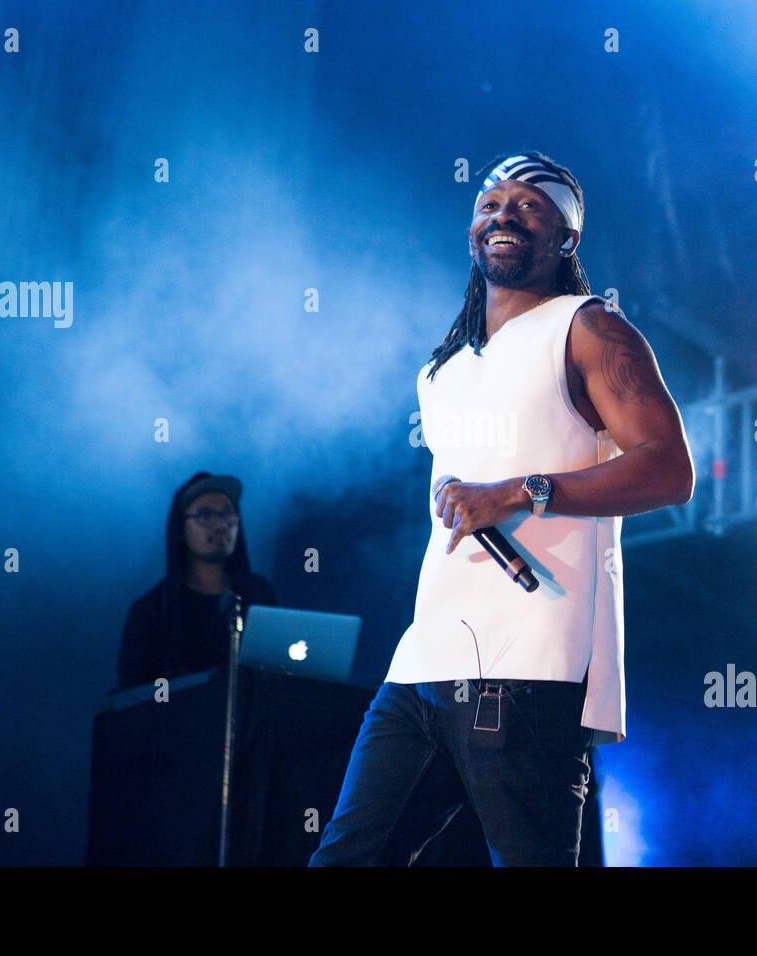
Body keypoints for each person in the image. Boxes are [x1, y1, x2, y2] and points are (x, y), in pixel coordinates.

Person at [310, 151, 694, 866]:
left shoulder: (589, 329)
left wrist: (522, 491)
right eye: (490, 204)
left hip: (529, 660)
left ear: (566, 239)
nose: (503, 215)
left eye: (528, 206)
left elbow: (670, 471)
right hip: (425, 654)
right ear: (471, 231)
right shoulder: (441, 369)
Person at [115, 472, 278, 690]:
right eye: (205, 515)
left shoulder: (259, 595)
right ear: (180, 528)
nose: (221, 525)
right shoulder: (152, 611)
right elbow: (131, 700)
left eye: (228, 512)